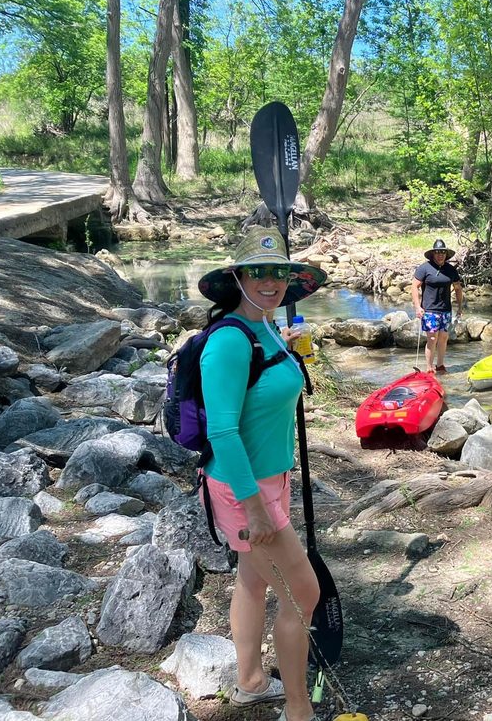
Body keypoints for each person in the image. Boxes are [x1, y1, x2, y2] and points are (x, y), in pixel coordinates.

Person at [196, 227, 327, 721]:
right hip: (242, 486)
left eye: (278, 271)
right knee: (304, 593)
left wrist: (288, 351)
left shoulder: (266, 327)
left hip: (269, 478)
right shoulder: (229, 342)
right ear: (237, 277)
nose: (270, 281)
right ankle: (299, 710)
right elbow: (225, 433)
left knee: (253, 581)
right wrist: (253, 505)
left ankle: (251, 681)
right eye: (258, 271)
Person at [411, 238, 463, 373]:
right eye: (438, 252)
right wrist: (417, 307)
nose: (440, 255)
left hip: (445, 309)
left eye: (443, 252)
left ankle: (440, 365)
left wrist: (460, 307)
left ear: (446, 254)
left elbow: (458, 288)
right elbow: (414, 286)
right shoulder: (424, 268)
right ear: (433, 254)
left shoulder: (450, 270)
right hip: (429, 309)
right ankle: (429, 367)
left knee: (444, 337)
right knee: (432, 337)